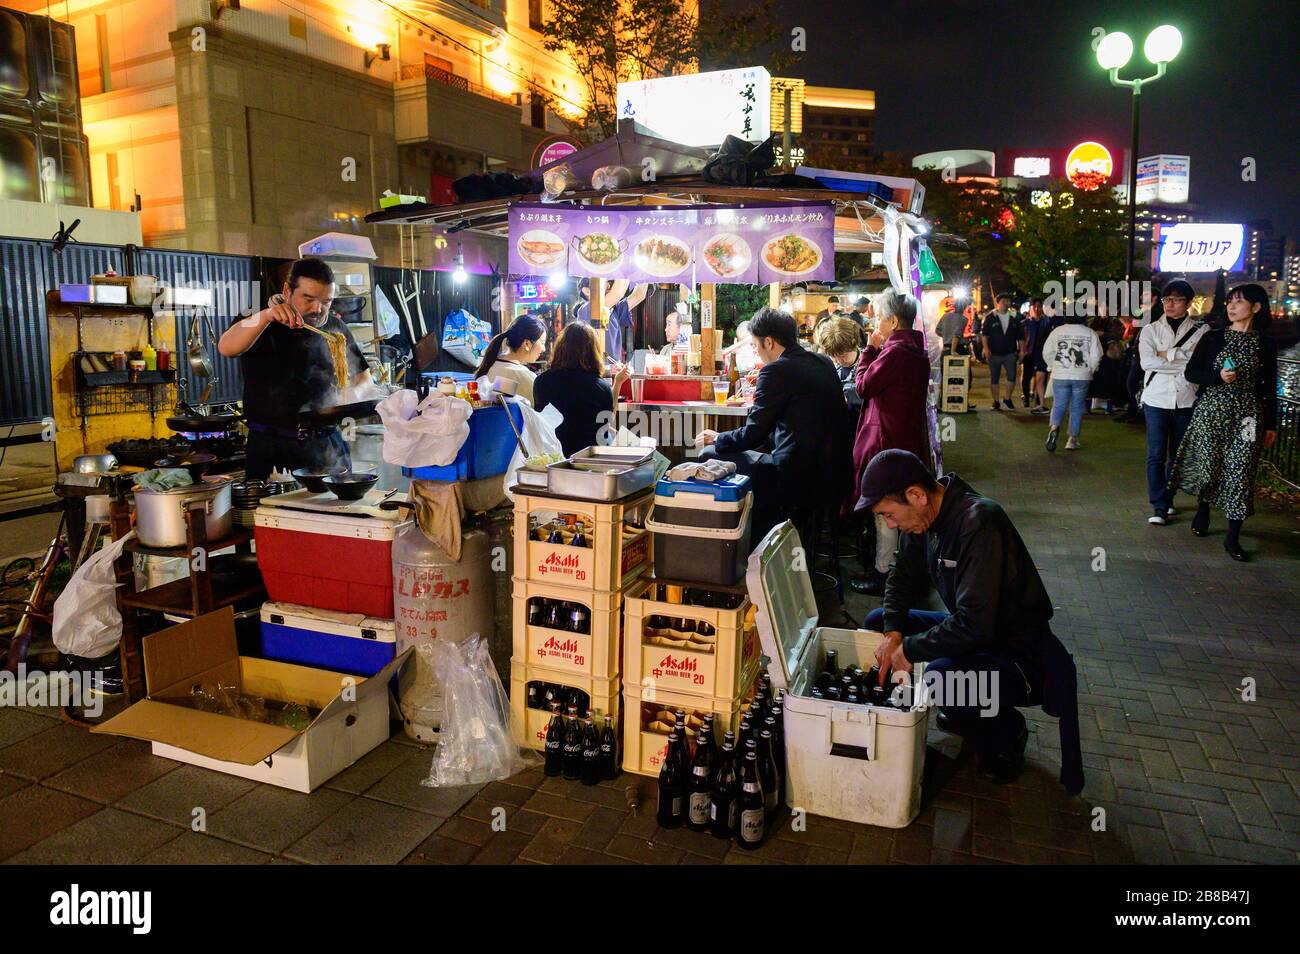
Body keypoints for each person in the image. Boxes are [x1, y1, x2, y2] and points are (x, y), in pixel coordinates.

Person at [859, 450, 1083, 792]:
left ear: (916, 495)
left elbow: (974, 625)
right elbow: (901, 575)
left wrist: (910, 651)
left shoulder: (979, 523)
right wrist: (892, 633)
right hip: (978, 634)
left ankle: (1008, 732)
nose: (890, 524)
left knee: (939, 680)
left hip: (1019, 655)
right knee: (877, 623)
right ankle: (966, 706)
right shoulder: (925, 517)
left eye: (889, 515)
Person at [694, 307, 852, 548]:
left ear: (769, 342)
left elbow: (752, 434)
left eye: (756, 346)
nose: (757, 353)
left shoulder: (776, 371)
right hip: (835, 474)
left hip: (797, 476)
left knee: (709, 455)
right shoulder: (822, 362)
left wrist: (718, 438)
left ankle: (733, 548)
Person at [218, 257, 370, 479]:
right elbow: (226, 347)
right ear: (287, 291)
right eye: (308, 298)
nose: (318, 308)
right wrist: (267, 316)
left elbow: (364, 380)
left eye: (326, 301)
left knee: (338, 512)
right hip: (271, 448)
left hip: (327, 443)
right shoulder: (258, 320)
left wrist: (349, 398)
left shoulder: (336, 330)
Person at [1170, 283, 1279, 561]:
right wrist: (1218, 376)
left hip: (1248, 415)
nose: (1231, 306)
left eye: (1239, 302)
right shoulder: (1213, 338)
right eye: (1230, 301)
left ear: (1255, 307)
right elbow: (1192, 372)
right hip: (1212, 411)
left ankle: (1233, 537)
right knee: (1210, 466)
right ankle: (1203, 507)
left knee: (1241, 471)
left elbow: (1269, 387)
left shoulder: (1265, 343)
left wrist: (1271, 425)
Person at [845, 291, 932, 596]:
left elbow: (864, 386)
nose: (877, 323)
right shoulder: (917, 351)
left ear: (893, 320)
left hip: (886, 441)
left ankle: (885, 576)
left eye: (880, 317)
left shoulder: (894, 352)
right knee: (899, 508)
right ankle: (898, 572)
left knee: (887, 510)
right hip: (905, 438)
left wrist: (868, 351)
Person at [1138, 279, 1209, 526]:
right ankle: (1159, 505)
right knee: (1155, 454)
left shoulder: (1203, 331)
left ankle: (1168, 500)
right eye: (1167, 299)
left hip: (1186, 399)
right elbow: (1147, 363)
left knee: (1176, 456)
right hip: (1156, 398)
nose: (1169, 304)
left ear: (1189, 303)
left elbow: (1199, 365)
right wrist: (1182, 357)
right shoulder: (1150, 330)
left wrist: (1166, 355)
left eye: (1176, 299)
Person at [534, 323, 631, 457]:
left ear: (561, 347)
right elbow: (607, 420)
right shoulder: (601, 387)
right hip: (591, 460)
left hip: (553, 458)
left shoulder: (542, 381)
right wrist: (618, 382)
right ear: (593, 351)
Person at [1040, 312, 1102, 452]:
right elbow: (1096, 355)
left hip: (1060, 373)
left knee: (1058, 405)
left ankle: (1054, 428)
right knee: (1077, 407)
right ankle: (1072, 440)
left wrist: (1053, 366)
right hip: (1081, 375)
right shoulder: (1090, 333)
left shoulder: (1057, 331)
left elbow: (1047, 352)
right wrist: (1090, 369)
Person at [474, 314, 547, 403]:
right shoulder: (525, 377)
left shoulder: (491, 365)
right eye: (542, 343)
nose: (544, 349)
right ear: (527, 344)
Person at [813, 316, 866, 418]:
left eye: (843, 355)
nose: (838, 361)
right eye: (833, 356)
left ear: (854, 344)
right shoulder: (827, 364)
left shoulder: (869, 363)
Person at [981, 293, 1022, 410]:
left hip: (1010, 352)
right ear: (997, 303)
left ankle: (1007, 398)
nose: (1006, 303)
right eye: (1003, 301)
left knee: (1012, 377)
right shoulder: (990, 317)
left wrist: (1021, 350)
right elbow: (985, 335)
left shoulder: (1015, 317)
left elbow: (1020, 336)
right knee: (994, 378)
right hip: (994, 353)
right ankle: (996, 401)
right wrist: (986, 348)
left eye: (1008, 301)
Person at [1019, 298, 1049, 412]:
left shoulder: (1046, 322)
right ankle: (1026, 397)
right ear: (1031, 308)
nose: (1037, 309)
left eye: (1039, 306)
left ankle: (1039, 400)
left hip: (1042, 353)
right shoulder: (1025, 323)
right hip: (1029, 353)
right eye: (1034, 306)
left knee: (1042, 378)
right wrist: (1022, 351)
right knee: (1026, 377)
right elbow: (1021, 339)